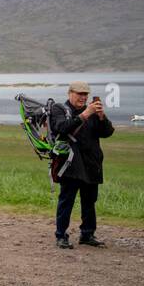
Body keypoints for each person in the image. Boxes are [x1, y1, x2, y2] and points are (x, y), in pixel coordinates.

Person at [49, 80, 114, 249]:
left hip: (91, 163)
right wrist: (86, 114)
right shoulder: (59, 109)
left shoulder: (92, 111)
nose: (83, 97)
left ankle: (87, 234)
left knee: (89, 201)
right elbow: (61, 128)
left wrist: (101, 117)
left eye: (85, 94)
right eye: (79, 94)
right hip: (70, 163)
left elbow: (107, 133)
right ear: (70, 93)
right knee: (66, 200)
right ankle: (61, 235)